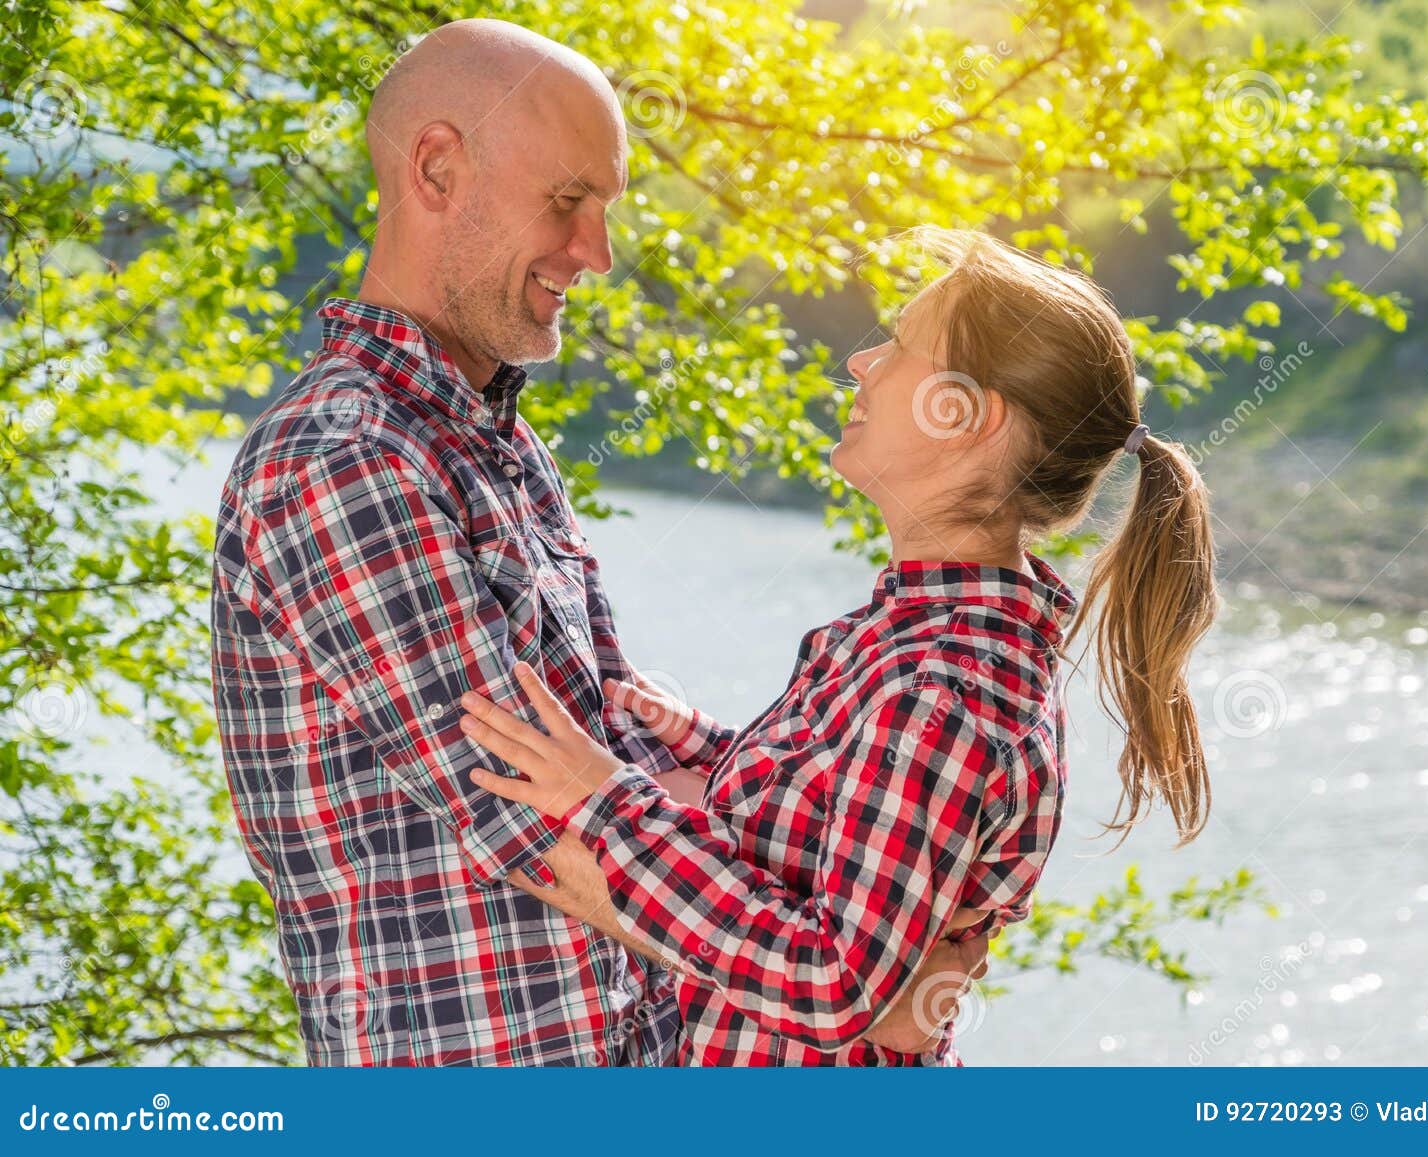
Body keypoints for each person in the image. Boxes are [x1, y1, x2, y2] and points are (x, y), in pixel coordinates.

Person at [208, 18, 979, 1066]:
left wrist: (866, 904)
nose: (597, 254)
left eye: (604, 210)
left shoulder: (495, 443)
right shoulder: (344, 459)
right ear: (437, 168)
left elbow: (621, 772)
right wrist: (843, 981)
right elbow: (541, 829)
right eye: (567, 203)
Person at [458, 228, 1223, 1064]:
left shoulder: (947, 687)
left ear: (969, 417)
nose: (862, 366)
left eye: (901, 346)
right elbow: (841, 818)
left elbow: (827, 983)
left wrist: (602, 797)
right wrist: (713, 750)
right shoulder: (918, 638)